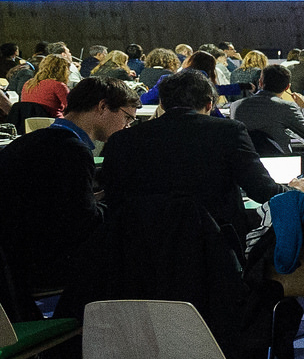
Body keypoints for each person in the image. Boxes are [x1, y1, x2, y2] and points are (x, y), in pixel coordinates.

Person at [0, 76, 140, 290]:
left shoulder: (29, 142)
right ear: (102, 106)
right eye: (127, 118)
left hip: (4, 260)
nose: (126, 127)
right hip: (42, 267)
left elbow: (51, 203)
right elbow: (81, 223)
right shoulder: (72, 151)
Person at [100, 69, 282, 243]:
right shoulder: (229, 131)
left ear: (162, 103)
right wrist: (295, 191)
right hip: (216, 246)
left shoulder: (122, 140)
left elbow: (114, 196)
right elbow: (261, 190)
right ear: (210, 104)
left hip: (142, 247)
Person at [235, 64, 304, 151]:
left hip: (246, 162)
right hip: (278, 161)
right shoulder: (286, 107)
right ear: (287, 87)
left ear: (260, 83)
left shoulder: (236, 106)